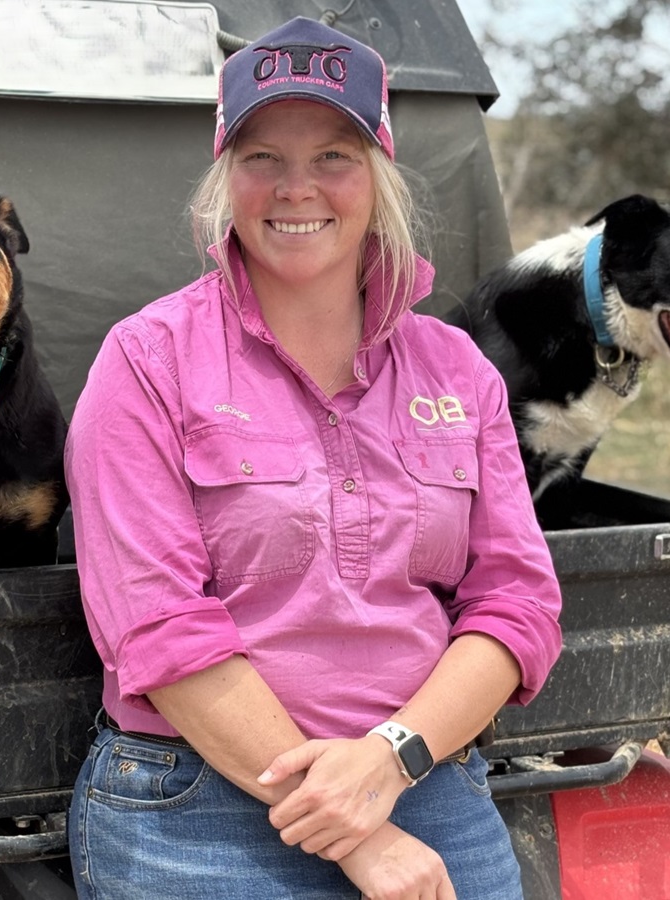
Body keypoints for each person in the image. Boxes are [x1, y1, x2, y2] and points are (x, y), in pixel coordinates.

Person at [65, 16, 562, 900]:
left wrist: (391, 760)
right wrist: (357, 841)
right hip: (201, 802)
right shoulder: (148, 360)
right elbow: (156, 623)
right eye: (262, 158)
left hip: (427, 782)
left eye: (333, 155)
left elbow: (517, 603)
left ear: (378, 176)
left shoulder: (457, 369)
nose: (298, 188)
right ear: (226, 178)